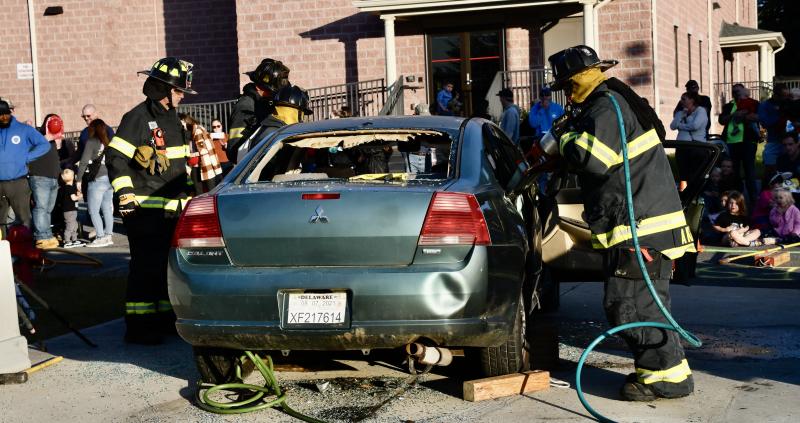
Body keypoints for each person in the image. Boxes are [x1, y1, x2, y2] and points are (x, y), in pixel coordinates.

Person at [547, 45, 695, 401]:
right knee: (643, 305)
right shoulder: (609, 102)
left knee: (628, 306)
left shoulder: (605, 106)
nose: (567, 94)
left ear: (580, 79)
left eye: (567, 85)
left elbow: (594, 159)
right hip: (643, 225)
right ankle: (666, 372)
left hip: (640, 228)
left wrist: (562, 137)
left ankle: (664, 379)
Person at [105, 57, 195, 345]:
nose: (182, 96)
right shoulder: (137, 118)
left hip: (172, 212)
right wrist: (125, 194)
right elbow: (115, 159)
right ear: (163, 89)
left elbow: (180, 168)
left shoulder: (174, 121)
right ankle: (140, 327)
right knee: (145, 269)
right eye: (178, 90)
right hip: (144, 212)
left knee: (165, 269)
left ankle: (163, 320)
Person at [0, 100, 51, 235]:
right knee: (0, 221)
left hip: (18, 182)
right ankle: (3, 251)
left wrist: (26, 157)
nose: (3, 118)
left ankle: (27, 251)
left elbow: (44, 145)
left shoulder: (23, 129)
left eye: (5, 114)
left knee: (24, 219)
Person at [226, 58, 290, 163]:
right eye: (271, 92)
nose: (274, 95)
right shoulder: (245, 105)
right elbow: (234, 151)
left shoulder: (263, 103)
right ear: (259, 87)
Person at [76, 119, 115, 247]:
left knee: (93, 210)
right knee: (107, 209)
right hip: (109, 178)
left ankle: (100, 236)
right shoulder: (108, 142)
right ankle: (108, 235)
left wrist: (79, 179)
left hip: (97, 179)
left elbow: (83, 161)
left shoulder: (91, 142)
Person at [28, 114, 64, 249]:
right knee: (41, 208)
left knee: (48, 209)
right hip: (40, 177)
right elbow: (28, 150)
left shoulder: (55, 139)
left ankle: (47, 234)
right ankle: (41, 236)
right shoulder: (36, 134)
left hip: (53, 178)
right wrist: (46, 137)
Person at [719, 84, 759, 205]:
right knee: (733, 173)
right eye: (734, 91)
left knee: (749, 171)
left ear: (744, 92)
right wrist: (733, 115)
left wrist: (744, 115)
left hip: (748, 141)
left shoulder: (753, 103)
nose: (736, 93)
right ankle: (735, 201)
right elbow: (721, 120)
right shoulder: (729, 106)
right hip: (731, 142)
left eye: (739, 91)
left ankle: (754, 201)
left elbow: (758, 117)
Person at [247, 84, 313, 150]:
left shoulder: (276, 129)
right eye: (303, 114)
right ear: (297, 112)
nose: (303, 119)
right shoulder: (275, 134)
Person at [181, 113, 222, 194]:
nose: (181, 125)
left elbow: (203, 151)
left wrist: (190, 155)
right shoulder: (192, 131)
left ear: (186, 121)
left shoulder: (198, 131)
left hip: (204, 165)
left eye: (182, 123)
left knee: (209, 192)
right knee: (200, 191)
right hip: (197, 166)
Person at [758, 84, 791, 180]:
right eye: (783, 96)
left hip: (789, 141)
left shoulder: (789, 104)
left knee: (788, 170)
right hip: (773, 141)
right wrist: (780, 115)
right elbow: (765, 122)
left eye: (787, 96)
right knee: (770, 170)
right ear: (775, 95)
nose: (786, 98)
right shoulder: (765, 105)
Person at [58, 168, 83, 248]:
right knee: (70, 226)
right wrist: (79, 196)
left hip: (66, 210)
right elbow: (73, 198)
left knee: (74, 225)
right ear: (73, 177)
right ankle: (67, 240)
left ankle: (74, 239)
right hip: (70, 210)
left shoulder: (63, 188)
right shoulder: (70, 187)